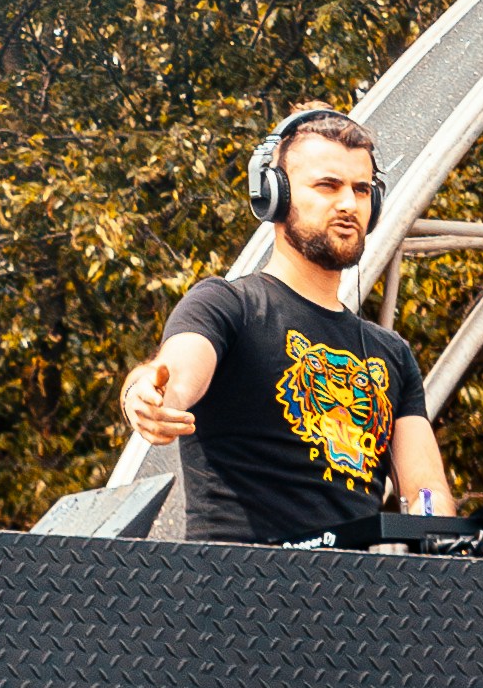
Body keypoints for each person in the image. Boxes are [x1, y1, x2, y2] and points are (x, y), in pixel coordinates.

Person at [116, 107, 456, 543]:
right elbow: (175, 373)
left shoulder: (391, 353)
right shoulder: (227, 305)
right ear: (274, 196)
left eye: (361, 189)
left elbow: (426, 491)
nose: (349, 204)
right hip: (237, 592)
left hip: (357, 599)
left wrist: (448, 547)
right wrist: (146, 396)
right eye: (327, 186)